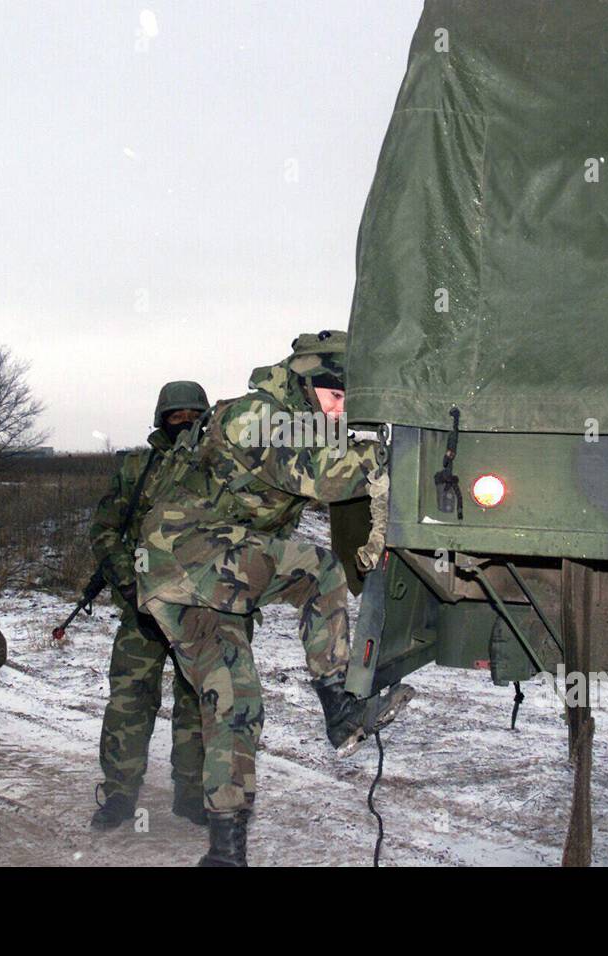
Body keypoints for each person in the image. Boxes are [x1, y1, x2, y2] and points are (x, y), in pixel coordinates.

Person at [136, 330, 413, 866]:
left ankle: (225, 851)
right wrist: (397, 454)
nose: (340, 413)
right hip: (191, 554)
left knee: (236, 705)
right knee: (318, 571)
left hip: (187, 580)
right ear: (308, 383)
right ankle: (339, 703)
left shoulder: (300, 424)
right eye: (336, 399)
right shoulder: (256, 415)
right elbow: (323, 478)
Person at [88, 381, 211, 831]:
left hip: (202, 612)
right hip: (143, 609)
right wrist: (127, 583)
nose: (184, 424)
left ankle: (192, 795)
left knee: (199, 703)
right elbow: (104, 530)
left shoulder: (221, 468)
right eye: (176, 416)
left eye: (193, 416)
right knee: (129, 702)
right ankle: (119, 796)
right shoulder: (137, 467)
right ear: (161, 419)